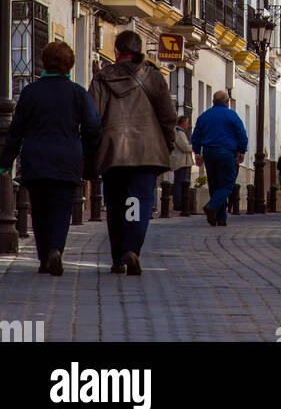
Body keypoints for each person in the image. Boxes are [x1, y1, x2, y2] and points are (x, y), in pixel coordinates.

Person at [0, 40, 101, 276]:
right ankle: (56, 249)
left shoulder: (30, 92)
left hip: (36, 156)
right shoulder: (78, 93)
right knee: (61, 208)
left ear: (45, 62)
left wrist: (6, 162)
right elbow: (93, 125)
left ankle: (44, 256)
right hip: (67, 156)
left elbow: (16, 131)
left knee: (40, 208)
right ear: (69, 65)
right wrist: (88, 149)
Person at [89, 29, 177, 275]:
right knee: (137, 202)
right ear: (138, 49)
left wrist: (94, 149)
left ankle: (118, 257)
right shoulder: (153, 76)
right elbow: (168, 116)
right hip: (147, 152)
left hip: (113, 152)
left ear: (116, 51)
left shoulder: (102, 77)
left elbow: (93, 117)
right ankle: (132, 249)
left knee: (116, 205)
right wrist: (168, 144)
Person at [190, 90, 248, 226]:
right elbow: (241, 134)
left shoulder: (204, 116)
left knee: (214, 185)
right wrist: (241, 150)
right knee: (227, 184)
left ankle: (220, 218)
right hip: (226, 153)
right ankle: (212, 206)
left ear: (213, 102)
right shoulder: (231, 115)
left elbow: (196, 135)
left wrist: (197, 153)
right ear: (228, 102)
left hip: (209, 152)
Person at [170, 115, 194, 211]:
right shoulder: (179, 133)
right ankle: (178, 204)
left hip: (181, 160)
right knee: (180, 183)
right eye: (186, 122)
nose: (187, 125)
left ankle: (179, 202)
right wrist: (193, 147)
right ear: (183, 123)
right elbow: (185, 147)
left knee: (180, 182)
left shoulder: (178, 132)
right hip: (181, 161)